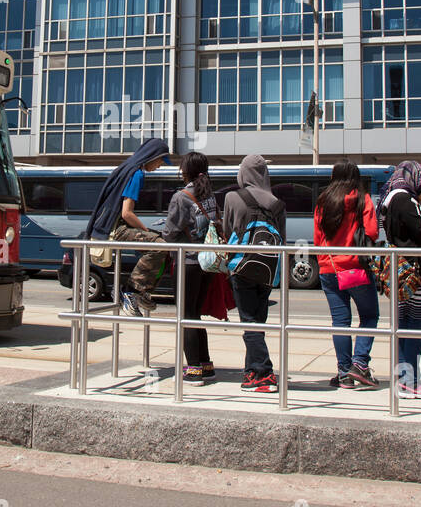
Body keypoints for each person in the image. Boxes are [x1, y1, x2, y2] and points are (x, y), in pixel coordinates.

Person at [82, 138, 173, 317]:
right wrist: (146, 231)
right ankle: (131, 291)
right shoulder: (137, 174)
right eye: (161, 161)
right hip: (116, 228)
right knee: (160, 245)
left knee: (164, 247)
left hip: (108, 226)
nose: (160, 166)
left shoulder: (126, 168)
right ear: (152, 156)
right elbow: (127, 213)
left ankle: (142, 292)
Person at [377, 160, 421, 397]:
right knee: (417, 325)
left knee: (403, 326)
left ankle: (403, 378)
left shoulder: (389, 197)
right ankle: (409, 380)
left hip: (400, 270)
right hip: (416, 271)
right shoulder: (405, 199)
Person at [314, 161, 380, 390]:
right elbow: (372, 232)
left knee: (340, 322)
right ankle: (360, 365)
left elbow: (317, 238)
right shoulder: (363, 198)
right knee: (369, 317)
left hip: (329, 267)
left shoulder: (323, 200)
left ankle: (344, 373)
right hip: (356, 269)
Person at [223, 154, 286, 393]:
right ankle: (251, 371)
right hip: (269, 269)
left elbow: (228, 230)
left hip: (242, 266)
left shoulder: (232, 197)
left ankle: (263, 372)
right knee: (258, 321)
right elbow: (283, 239)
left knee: (249, 321)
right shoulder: (277, 203)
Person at [165, 152, 220, 386]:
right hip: (208, 263)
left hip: (188, 262)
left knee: (186, 315)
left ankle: (194, 369)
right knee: (196, 313)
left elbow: (169, 232)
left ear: (185, 170)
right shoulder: (210, 197)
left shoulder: (180, 197)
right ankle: (206, 364)